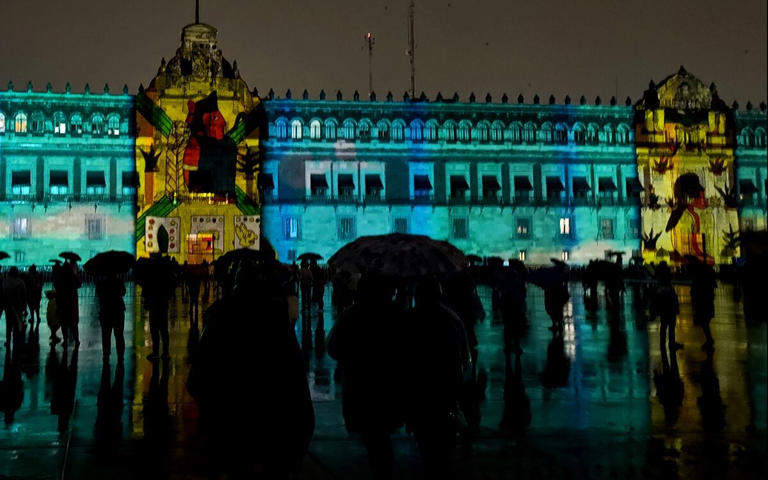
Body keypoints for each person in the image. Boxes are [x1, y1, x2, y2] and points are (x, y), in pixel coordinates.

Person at [188, 260, 314, 477]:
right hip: (272, 424)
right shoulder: (275, 318)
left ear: (235, 284)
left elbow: (198, 377)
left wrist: (211, 418)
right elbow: (294, 374)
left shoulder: (220, 316)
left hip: (230, 423)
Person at [328, 274, 405, 480]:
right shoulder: (396, 313)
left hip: (359, 385)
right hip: (389, 386)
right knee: (382, 434)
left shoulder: (352, 315)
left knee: (373, 435)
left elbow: (333, 347)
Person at [405, 277, 471, 479]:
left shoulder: (409, 318)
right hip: (446, 386)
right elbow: (465, 355)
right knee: (444, 438)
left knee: (424, 434)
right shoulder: (452, 319)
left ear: (417, 296)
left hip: (419, 388)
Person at [651, 262, 682, 355]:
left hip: (663, 304)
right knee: (671, 325)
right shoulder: (669, 286)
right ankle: (671, 343)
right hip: (670, 303)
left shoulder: (659, 286)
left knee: (664, 324)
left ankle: (662, 342)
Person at [95, 273, 127, 363]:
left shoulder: (101, 283)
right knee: (119, 335)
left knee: (106, 336)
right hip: (118, 310)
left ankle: (106, 355)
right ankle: (120, 356)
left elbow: (98, 294)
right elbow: (123, 292)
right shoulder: (119, 281)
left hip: (105, 311)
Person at [689, 259, 717, 352]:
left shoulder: (699, 278)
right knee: (705, 322)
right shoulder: (707, 278)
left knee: (704, 322)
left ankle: (709, 339)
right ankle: (709, 339)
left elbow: (695, 290)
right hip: (707, 301)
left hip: (702, 302)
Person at [2, 267, 28, 352]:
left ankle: (8, 341)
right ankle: (15, 341)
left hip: (8, 307)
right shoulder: (20, 282)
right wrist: (25, 308)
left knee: (8, 325)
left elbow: (3, 294)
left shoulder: (5, 281)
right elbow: (24, 296)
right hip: (18, 307)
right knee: (17, 325)